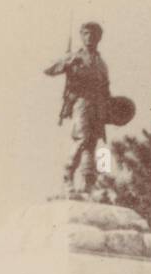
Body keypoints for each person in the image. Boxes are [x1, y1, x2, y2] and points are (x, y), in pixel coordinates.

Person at [45, 21, 111, 195]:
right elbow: (48, 69)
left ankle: (88, 184)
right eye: (86, 33)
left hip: (98, 105)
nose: (90, 37)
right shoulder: (75, 56)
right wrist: (66, 63)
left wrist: (108, 109)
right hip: (81, 101)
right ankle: (68, 177)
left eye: (94, 34)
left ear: (99, 38)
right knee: (81, 139)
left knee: (91, 143)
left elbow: (106, 89)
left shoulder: (101, 63)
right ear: (81, 36)